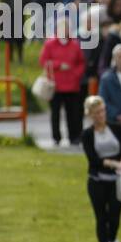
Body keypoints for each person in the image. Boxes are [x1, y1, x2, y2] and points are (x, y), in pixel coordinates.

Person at [80, 95, 121, 242]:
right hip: (98, 180)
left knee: (115, 215)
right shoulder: (88, 134)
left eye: (102, 111)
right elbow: (93, 159)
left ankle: (112, 238)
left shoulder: (116, 128)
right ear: (90, 115)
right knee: (101, 217)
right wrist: (112, 163)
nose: (100, 115)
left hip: (118, 179)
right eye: (96, 113)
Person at [39, 18, 87, 146]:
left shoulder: (75, 44)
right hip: (55, 85)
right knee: (55, 113)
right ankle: (56, 137)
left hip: (72, 85)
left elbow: (81, 62)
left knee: (72, 113)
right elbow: (43, 61)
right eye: (61, 28)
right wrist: (59, 65)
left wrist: (76, 74)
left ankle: (73, 137)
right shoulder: (50, 44)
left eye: (66, 28)